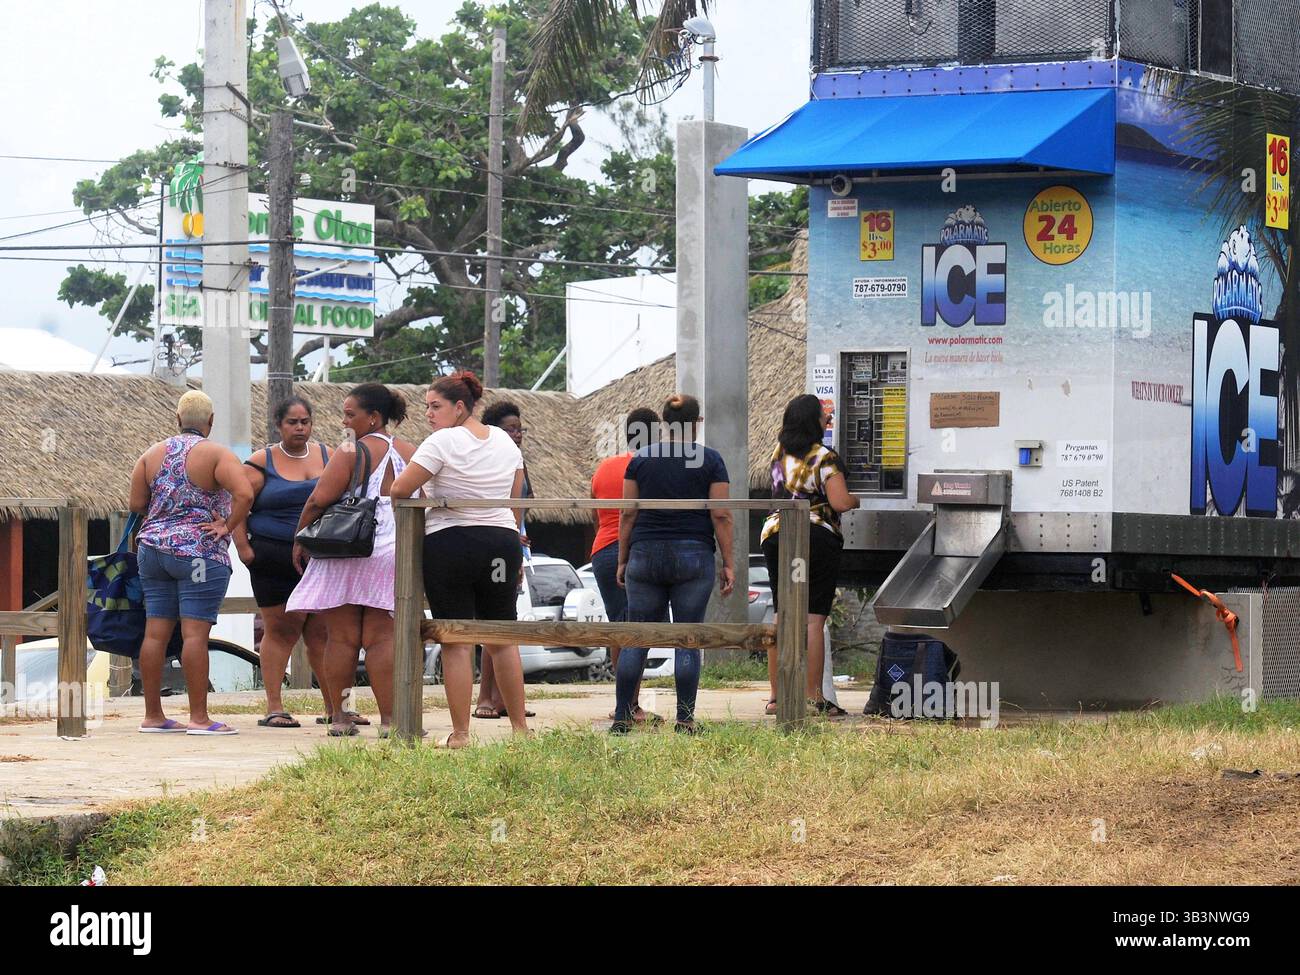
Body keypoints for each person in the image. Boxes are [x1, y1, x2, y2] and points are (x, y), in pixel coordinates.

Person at [388, 371, 530, 749]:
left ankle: (462, 733)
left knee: (457, 641)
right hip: (501, 541)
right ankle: (520, 728)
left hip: (451, 542)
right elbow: (516, 496)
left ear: (460, 407)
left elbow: (399, 489)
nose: (430, 415)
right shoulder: (504, 440)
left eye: (436, 406)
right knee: (502, 635)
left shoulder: (441, 442)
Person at [287, 384, 415, 738]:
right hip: (392, 551)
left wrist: (301, 538)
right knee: (382, 639)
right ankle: (390, 720)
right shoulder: (409, 451)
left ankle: (341, 717)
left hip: (348, 548)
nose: (344, 421)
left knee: (341, 639)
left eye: (350, 414)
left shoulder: (350, 450)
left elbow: (318, 500)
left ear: (373, 417)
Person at [129, 389, 254, 736]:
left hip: (152, 550)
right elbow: (245, 493)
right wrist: (225, 526)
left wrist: (166, 513)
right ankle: (199, 718)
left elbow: (137, 502)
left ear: (177, 419)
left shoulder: (151, 455)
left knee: (155, 632)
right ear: (210, 422)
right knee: (195, 633)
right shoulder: (217, 454)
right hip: (198, 552)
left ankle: (153, 715)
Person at [613, 393, 734, 734]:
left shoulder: (640, 460)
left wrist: (623, 559)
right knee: (686, 637)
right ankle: (684, 720)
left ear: (664, 424)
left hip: (645, 553)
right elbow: (721, 514)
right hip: (693, 555)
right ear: (697, 423)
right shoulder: (711, 460)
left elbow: (627, 513)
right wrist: (729, 562)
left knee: (638, 636)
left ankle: (622, 717)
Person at [232, 396, 332, 729]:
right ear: (279, 425)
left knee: (322, 634)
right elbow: (237, 504)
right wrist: (245, 550)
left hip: (318, 557)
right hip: (273, 556)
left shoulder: (328, 456)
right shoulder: (262, 462)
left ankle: (337, 707)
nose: (300, 428)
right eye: (293, 422)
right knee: (281, 630)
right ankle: (274, 706)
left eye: (305, 421)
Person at [761, 394, 860, 716]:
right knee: (812, 619)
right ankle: (813, 698)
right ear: (813, 422)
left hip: (776, 535)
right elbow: (841, 502)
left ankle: (776, 697)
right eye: (823, 417)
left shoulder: (778, 454)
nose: (827, 422)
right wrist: (856, 498)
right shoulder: (825, 458)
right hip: (814, 537)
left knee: (782, 615)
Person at [590, 406, 660, 722]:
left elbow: (595, 514)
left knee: (620, 627)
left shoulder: (604, 467)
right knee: (637, 629)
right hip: (633, 549)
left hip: (602, 550)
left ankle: (624, 705)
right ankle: (629, 706)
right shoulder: (650, 467)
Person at [472, 399, 535, 721]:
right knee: (495, 622)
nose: (518, 434)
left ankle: (504, 698)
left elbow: (521, 509)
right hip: (492, 545)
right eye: (511, 428)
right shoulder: (486, 460)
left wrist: (520, 547)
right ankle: (485, 696)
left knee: (505, 621)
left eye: (520, 428)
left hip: (513, 548)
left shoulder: (518, 461)